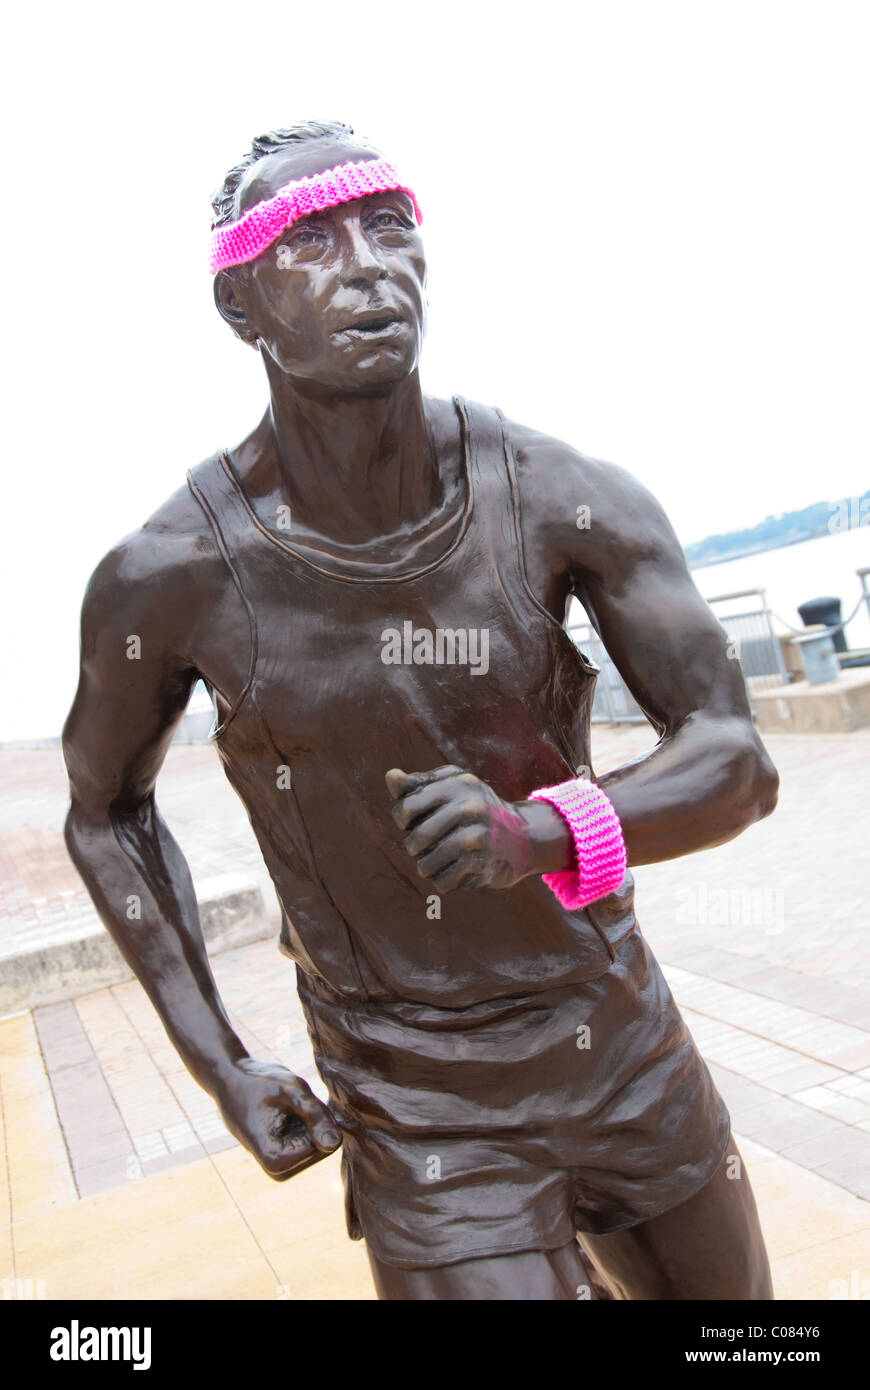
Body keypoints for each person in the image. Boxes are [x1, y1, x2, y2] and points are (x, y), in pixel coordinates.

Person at [63, 120, 779, 1300]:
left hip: (620, 1044)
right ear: (240, 308)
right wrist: (226, 1067)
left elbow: (734, 758)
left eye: (389, 227)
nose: (366, 265)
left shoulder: (561, 495)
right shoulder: (170, 575)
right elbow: (104, 814)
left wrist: (540, 834)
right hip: (419, 1103)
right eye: (310, 244)